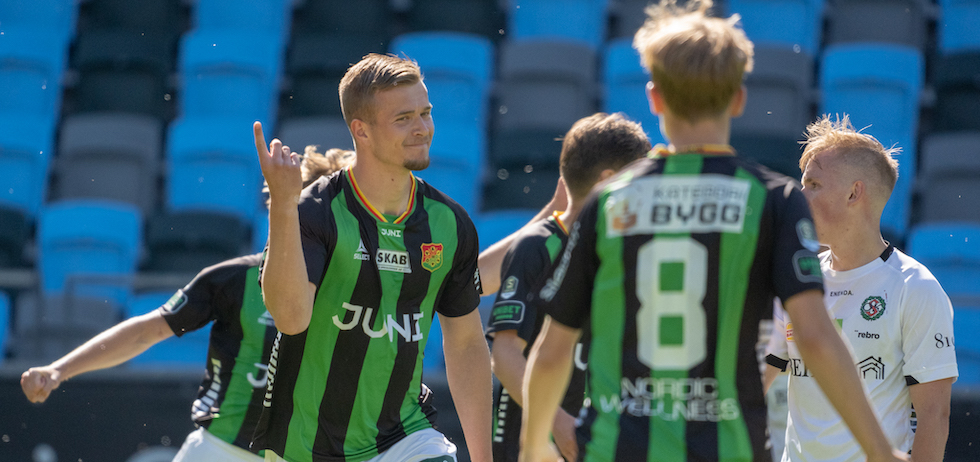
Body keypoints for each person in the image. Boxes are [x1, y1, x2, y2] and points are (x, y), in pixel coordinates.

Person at [519, 1, 910, 461]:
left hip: (615, 448)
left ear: (654, 98)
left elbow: (551, 350)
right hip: (727, 449)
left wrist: (531, 451)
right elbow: (816, 338)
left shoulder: (609, 201)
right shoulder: (773, 199)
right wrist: (881, 454)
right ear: (740, 97)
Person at [20, 148, 355, 461]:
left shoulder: (367, 290)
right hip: (218, 451)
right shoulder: (233, 279)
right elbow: (145, 332)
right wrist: (59, 370)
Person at [253, 53, 492, 462]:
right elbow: (290, 318)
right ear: (360, 131)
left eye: (425, 113)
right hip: (304, 447)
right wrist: (283, 206)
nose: (422, 129)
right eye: (404, 119)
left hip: (407, 437)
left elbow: (467, 342)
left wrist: (485, 458)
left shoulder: (450, 223)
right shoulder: (313, 210)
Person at [763, 114, 958, 462]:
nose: (799, 195)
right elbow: (755, 379)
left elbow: (934, 415)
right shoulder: (796, 279)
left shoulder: (915, 287)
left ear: (855, 193)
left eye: (814, 185)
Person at [486, 113, 651, 462]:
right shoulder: (537, 246)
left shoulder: (632, 251)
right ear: (607, 182)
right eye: (640, 181)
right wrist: (557, 424)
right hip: (534, 444)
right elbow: (504, 356)